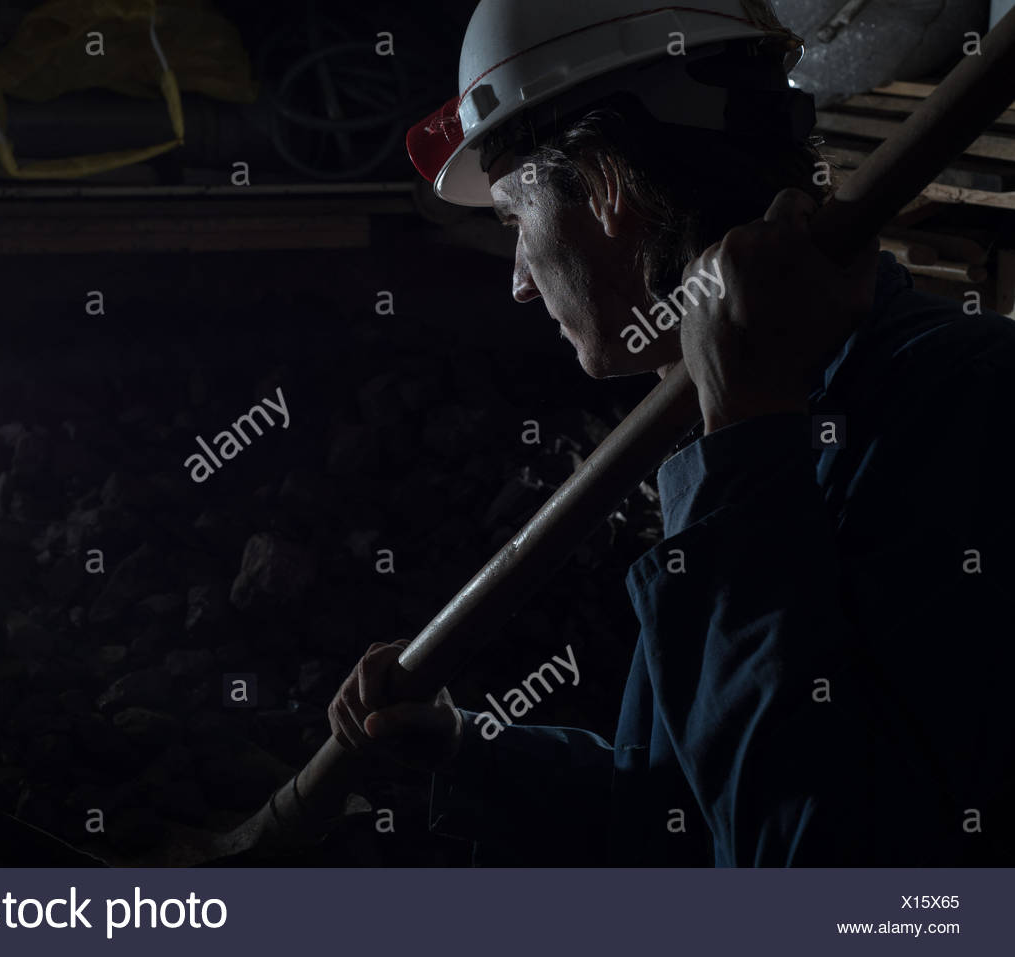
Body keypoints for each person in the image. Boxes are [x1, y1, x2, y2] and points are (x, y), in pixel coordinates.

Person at [328, 0, 1015, 865]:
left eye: (515, 222)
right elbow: (690, 813)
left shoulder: (961, 406)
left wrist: (747, 445)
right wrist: (470, 753)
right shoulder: (727, 433)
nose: (519, 285)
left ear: (607, 184)